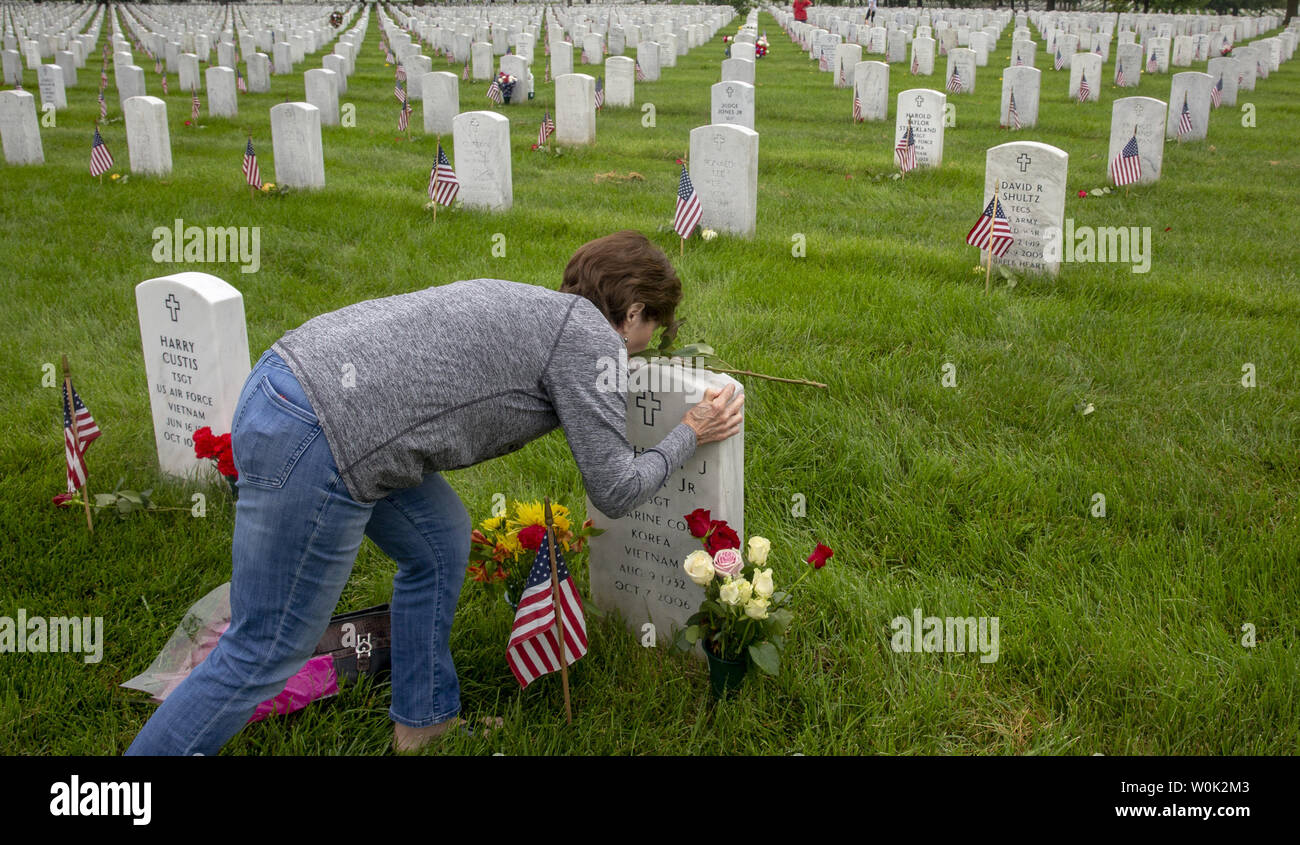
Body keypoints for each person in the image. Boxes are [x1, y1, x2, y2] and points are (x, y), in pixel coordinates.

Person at [125, 231, 745, 755]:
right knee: (265, 647)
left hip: (288, 384)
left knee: (440, 543)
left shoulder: (540, 310)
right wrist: (691, 432)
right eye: (650, 329)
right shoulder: (588, 337)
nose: (639, 348)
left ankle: (424, 722)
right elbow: (614, 487)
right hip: (325, 437)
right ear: (634, 309)